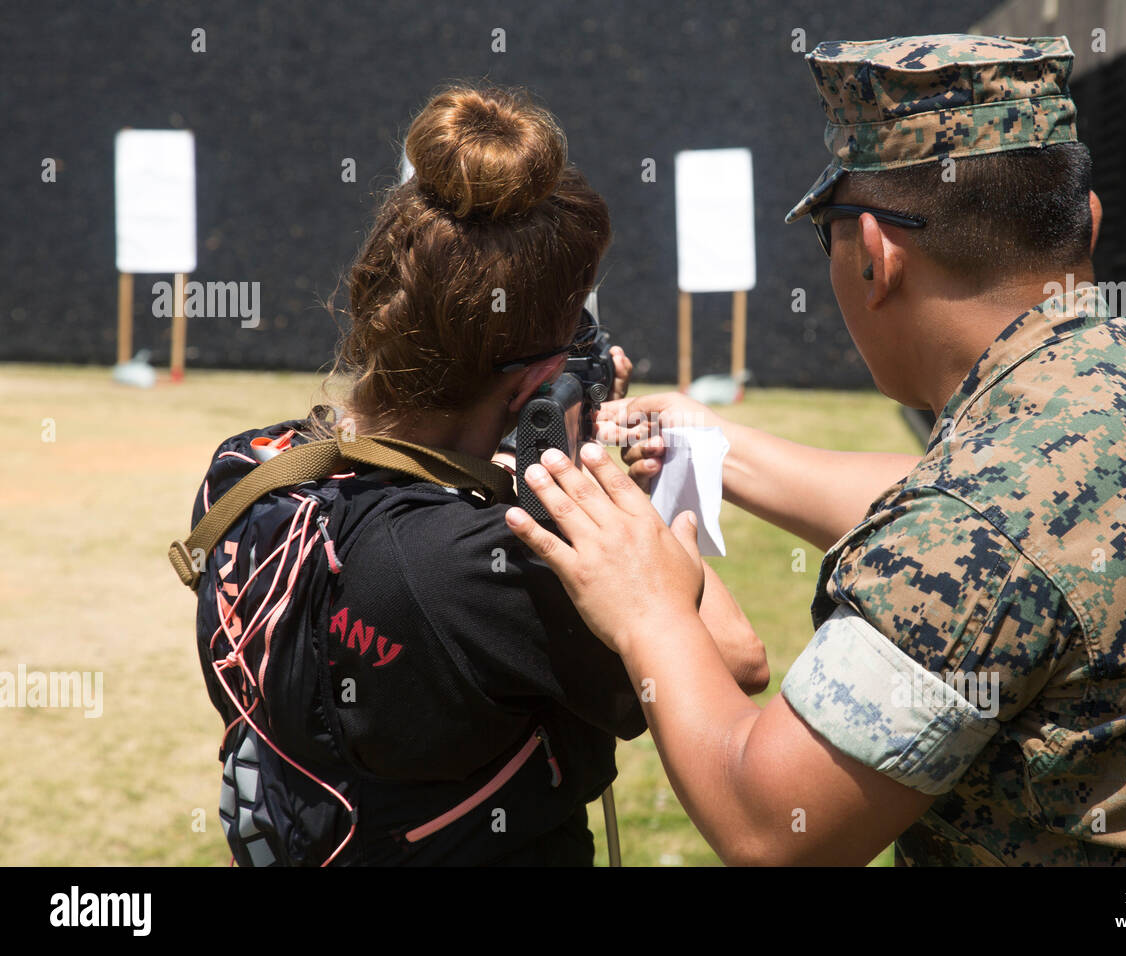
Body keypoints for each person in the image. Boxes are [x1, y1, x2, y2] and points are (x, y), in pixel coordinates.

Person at [505, 35, 1126, 865]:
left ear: (877, 257)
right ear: (1087, 222)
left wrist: (648, 610)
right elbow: (960, 505)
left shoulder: (980, 525)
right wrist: (702, 440)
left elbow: (769, 825)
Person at [180, 83, 768, 866]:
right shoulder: (489, 568)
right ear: (536, 388)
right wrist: (587, 462)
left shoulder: (248, 470)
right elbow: (733, 657)